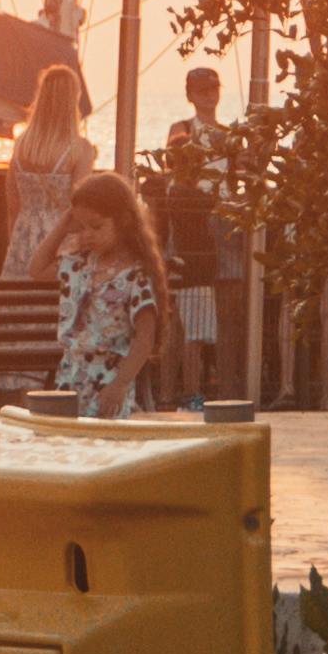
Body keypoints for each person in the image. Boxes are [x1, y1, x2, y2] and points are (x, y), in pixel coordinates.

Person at [46, 170, 166, 416]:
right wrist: (63, 226)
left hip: (109, 378)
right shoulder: (78, 265)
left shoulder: (134, 275)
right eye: (81, 227)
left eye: (97, 226)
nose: (87, 234)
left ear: (122, 221)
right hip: (71, 376)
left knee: (106, 443)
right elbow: (36, 268)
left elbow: (145, 336)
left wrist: (120, 384)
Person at [155, 69, 242, 409]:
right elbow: (173, 166)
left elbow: (235, 178)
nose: (209, 95)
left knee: (228, 314)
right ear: (190, 94)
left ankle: (227, 390)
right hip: (191, 223)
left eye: (213, 89)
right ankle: (172, 392)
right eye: (201, 90)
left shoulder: (229, 134)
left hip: (224, 222)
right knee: (182, 317)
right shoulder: (182, 130)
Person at [0, 61, 99, 277]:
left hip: (22, 237)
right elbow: (80, 208)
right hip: (60, 241)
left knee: (18, 303)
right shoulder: (79, 149)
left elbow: (13, 205)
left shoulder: (22, 146)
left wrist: (14, 241)